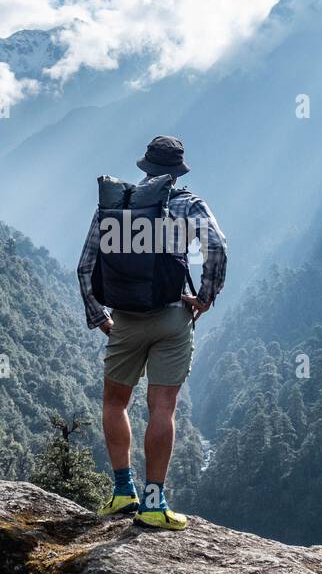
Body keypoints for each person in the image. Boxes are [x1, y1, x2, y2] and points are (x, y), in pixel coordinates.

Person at [76, 136, 227, 530]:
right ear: (178, 172)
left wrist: (100, 317)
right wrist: (206, 297)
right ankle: (153, 502)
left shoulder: (116, 207)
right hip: (173, 316)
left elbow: (84, 266)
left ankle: (122, 491)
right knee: (162, 408)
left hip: (124, 320)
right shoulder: (189, 203)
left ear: (144, 169)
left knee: (115, 403)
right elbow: (217, 247)